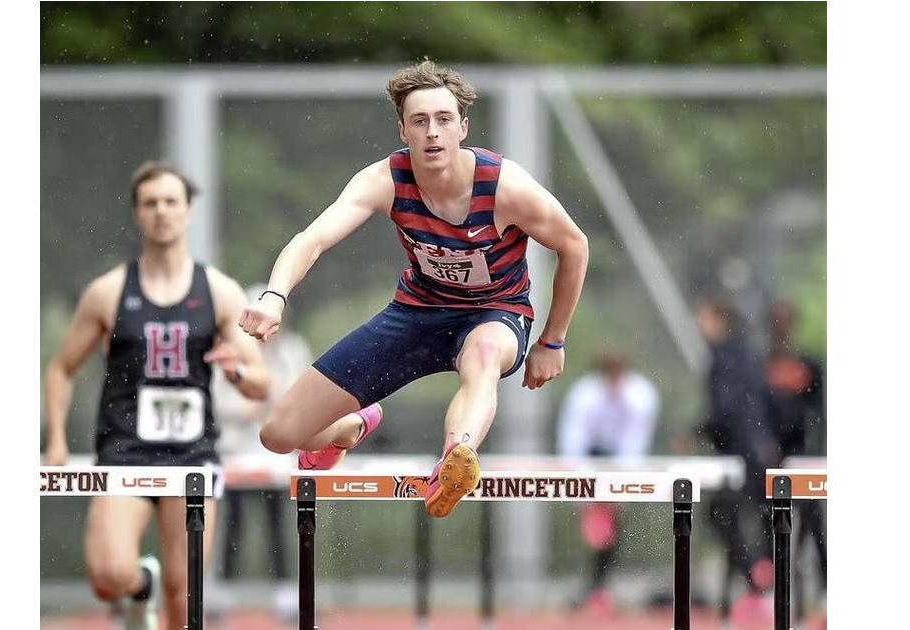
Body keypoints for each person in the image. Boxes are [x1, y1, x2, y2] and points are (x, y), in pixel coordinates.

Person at [239, 59, 590, 518]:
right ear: (403, 131)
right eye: (419, 122)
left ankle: (455, 460)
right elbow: (314, 238)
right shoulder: (384, 179)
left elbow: (575, 245)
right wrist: (274, 295)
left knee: (482, 358)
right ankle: (349, 428)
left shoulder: (505, 187)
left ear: (463, 127)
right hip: (416, 314)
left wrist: (552, 340)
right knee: (278, 435)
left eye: (444, 120)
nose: (432, 133)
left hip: (495, 313)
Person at [42, 162, 271, 629]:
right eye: (151, 203)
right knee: (108, 576)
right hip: (126, 451)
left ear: (188, 213)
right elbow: (61, 368)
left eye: (171, 202)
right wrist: (57, 441)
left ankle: (161, 597)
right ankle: (138, 588)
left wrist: (237, 372)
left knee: (185, 601)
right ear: (137, 214)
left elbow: (261, 381)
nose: (161, 212)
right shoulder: (107, 292)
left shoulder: (219, 292)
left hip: (192, 455)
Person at [211, 284, 313, 621]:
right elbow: (219, 401)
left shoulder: (293, 349)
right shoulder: (229, 350)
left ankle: (286, 593)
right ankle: (222, 592)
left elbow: (305, 394)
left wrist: (273, 402)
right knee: (233, 525)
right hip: (238, 453)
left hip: (277, 458)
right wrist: (249, 407)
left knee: (279, 525)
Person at [691, 295, 777, 614]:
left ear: (719, 319)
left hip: (740, 452)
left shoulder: (724, 354)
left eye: (704, 318)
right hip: (758, 447)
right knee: (755, 515)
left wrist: (697, 431)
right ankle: (758, 578)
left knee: (720, 516)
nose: (700, 326)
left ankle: (756, 573)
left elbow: (726, 408)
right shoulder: (748, 352)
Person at [556, 353, 660, 615]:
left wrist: (620, 488)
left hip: (621, 460)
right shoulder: (583, 395)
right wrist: (582, 490)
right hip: (590, 457)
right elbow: (573, 438)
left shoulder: (642, 396)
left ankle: (598, 588)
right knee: (599, 535)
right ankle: (593, 587)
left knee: (613, 531)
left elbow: (636, 441)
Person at [764, 299, 827, 603]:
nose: (781, 327)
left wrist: (817, 448)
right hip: (771, 456)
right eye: (776, 321)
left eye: (785, 321)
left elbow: (819, 409)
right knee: (771, 519)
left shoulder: (808, 364)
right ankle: (774, 584)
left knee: (812, 518)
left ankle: (825, 582)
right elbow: (756, 409)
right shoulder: (762, 364)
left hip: (801, 452)